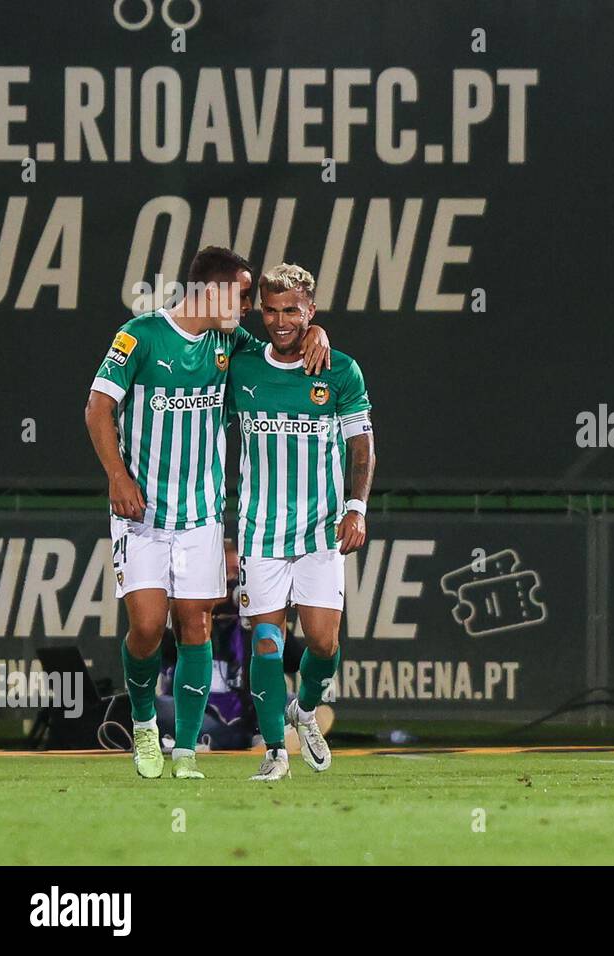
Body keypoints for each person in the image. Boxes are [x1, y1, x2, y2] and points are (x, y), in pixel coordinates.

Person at [85, 247, 330, 780]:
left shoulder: (230, 341)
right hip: (141, 513)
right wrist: (118, 478)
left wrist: (318, 334)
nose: (249, 309)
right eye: (243, 296)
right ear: (211, 292)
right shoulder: (141, 336)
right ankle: (146, 724)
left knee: (194, 623)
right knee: (147, 628)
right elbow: (97, 407)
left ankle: (186, 752)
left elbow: (280, 352)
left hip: (201, 516)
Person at [227, 263, 375, 782]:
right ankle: (274, 752)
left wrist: (356, 507)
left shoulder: (340, 371)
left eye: (292, 310)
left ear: (311, 310)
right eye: (270, 310)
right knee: (266, 642)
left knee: (323, 645)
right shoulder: (241, 364)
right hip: (260, 531)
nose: (280, 320)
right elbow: (207, 319)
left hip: (321, 531)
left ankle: (304, 711)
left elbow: (361, 446)